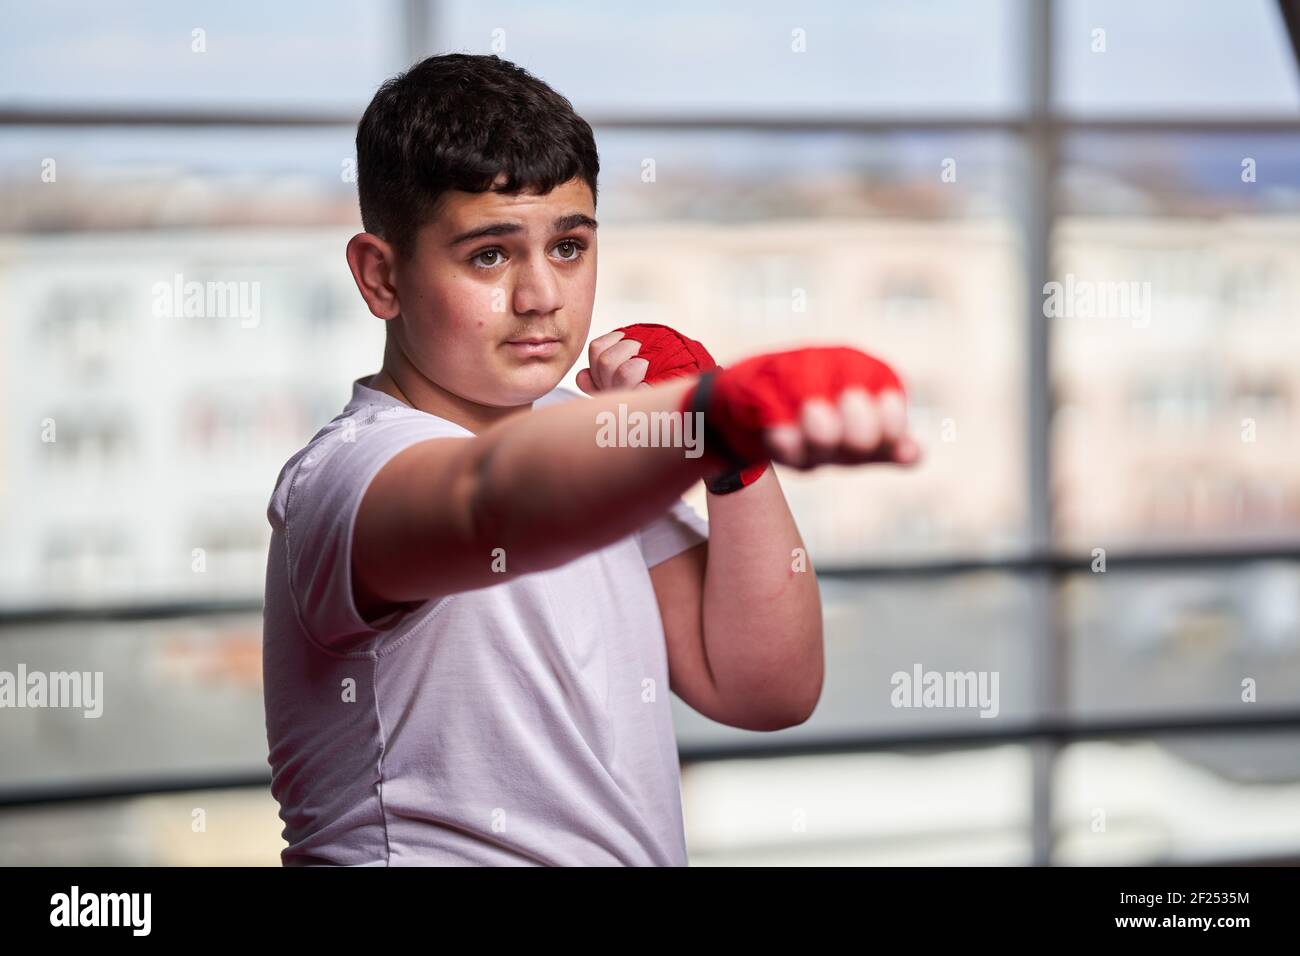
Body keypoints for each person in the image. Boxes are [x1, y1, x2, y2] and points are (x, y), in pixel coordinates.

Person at [261, 52, 922, 866]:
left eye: (569, 247)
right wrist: (708, 414)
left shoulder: (598, 445)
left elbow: (767, 688)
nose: (542, 295)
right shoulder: (347, 476)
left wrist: (730, 459)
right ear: (382, 276)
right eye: (490, 256)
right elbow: (486, 497)